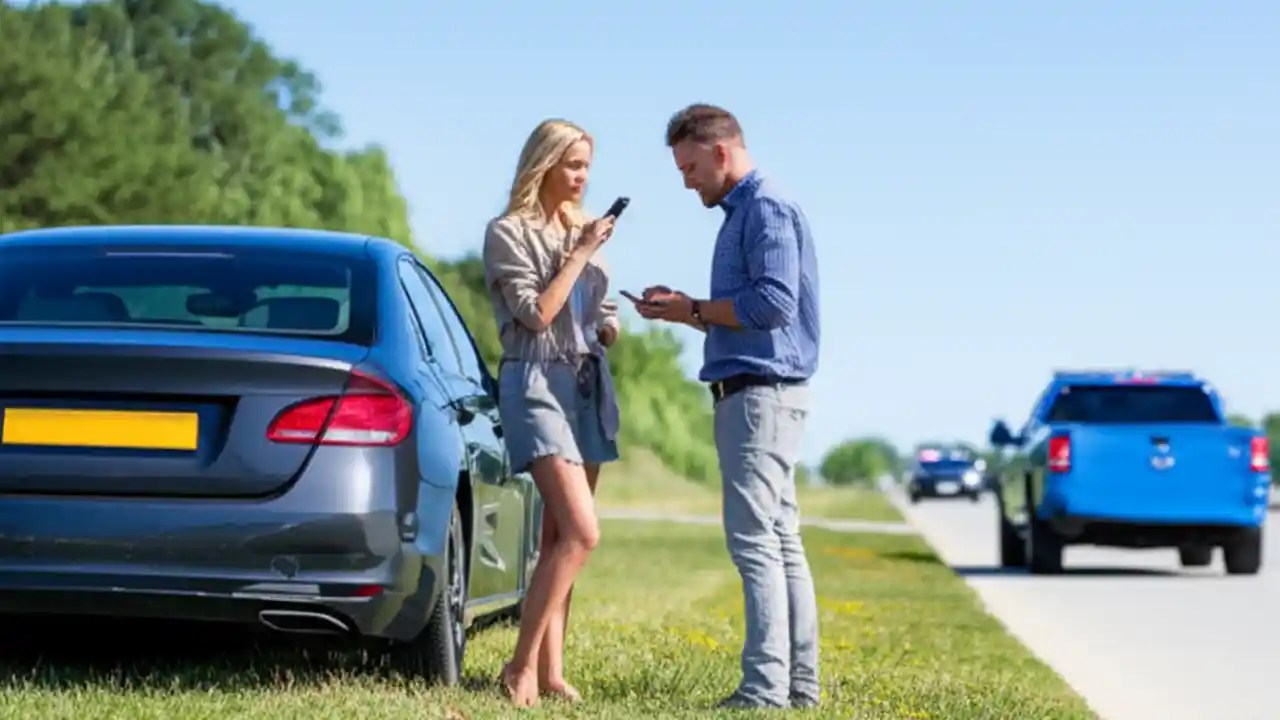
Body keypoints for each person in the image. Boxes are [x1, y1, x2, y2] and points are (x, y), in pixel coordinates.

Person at [635, 103, 822, 710]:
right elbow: (752, 316)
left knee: (755, 542)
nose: (686, 182)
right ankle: (797, 686)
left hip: (760, 398)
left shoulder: (764, 208)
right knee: (780, 538)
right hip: (765, 392)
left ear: (721, 152)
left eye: (690, 168)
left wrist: (694, 305)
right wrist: (686, 310)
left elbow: (772, 306)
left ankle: (765, 690)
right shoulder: (749, 211)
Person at [482, 118, 623, 707]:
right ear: (543, 164)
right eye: (572, 164)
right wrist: (582, 251)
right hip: (535, 381)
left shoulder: (580, 228)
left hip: (585, 384)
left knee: (561, 535)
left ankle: (551, 672)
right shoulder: (507, 233)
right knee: (584, 532)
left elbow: (597, 311)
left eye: (587, 165)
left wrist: (611, 322)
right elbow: (536, 314)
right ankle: (518, 669)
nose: (582, 176)